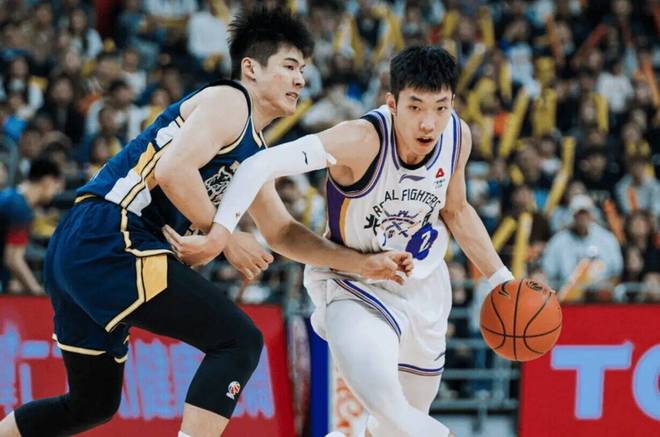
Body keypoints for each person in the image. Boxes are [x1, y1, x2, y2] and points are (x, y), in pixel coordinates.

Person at [0, 8, 411, 437]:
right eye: (290, 67)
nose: (300, 80)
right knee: (238, 340)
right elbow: (173, 170)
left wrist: (362, 263)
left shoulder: (255, 152)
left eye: (303, 71)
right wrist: (225, 238)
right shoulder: (230, 100)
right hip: (109, 231)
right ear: (251, 68)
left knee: (91, 404)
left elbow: (282, 232)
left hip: (82, 247)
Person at [170, 46, 516, 437]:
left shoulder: (457, 136)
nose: (428, 123)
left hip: (424, 289)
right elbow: (257, 164)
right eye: (415, 107)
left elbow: (457, 210)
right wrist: (221, 233)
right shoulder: (361, 139)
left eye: (440, 108)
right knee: (391, 408)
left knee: (394, 429)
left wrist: (501, 278)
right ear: (393, 104)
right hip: (353, 285)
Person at [0, 158, 63, 295]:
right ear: (47, 181)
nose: (55, 194)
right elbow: (13, 259)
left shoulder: (10, 197)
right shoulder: (19, 207)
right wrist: (36, 291)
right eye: (56, 188)